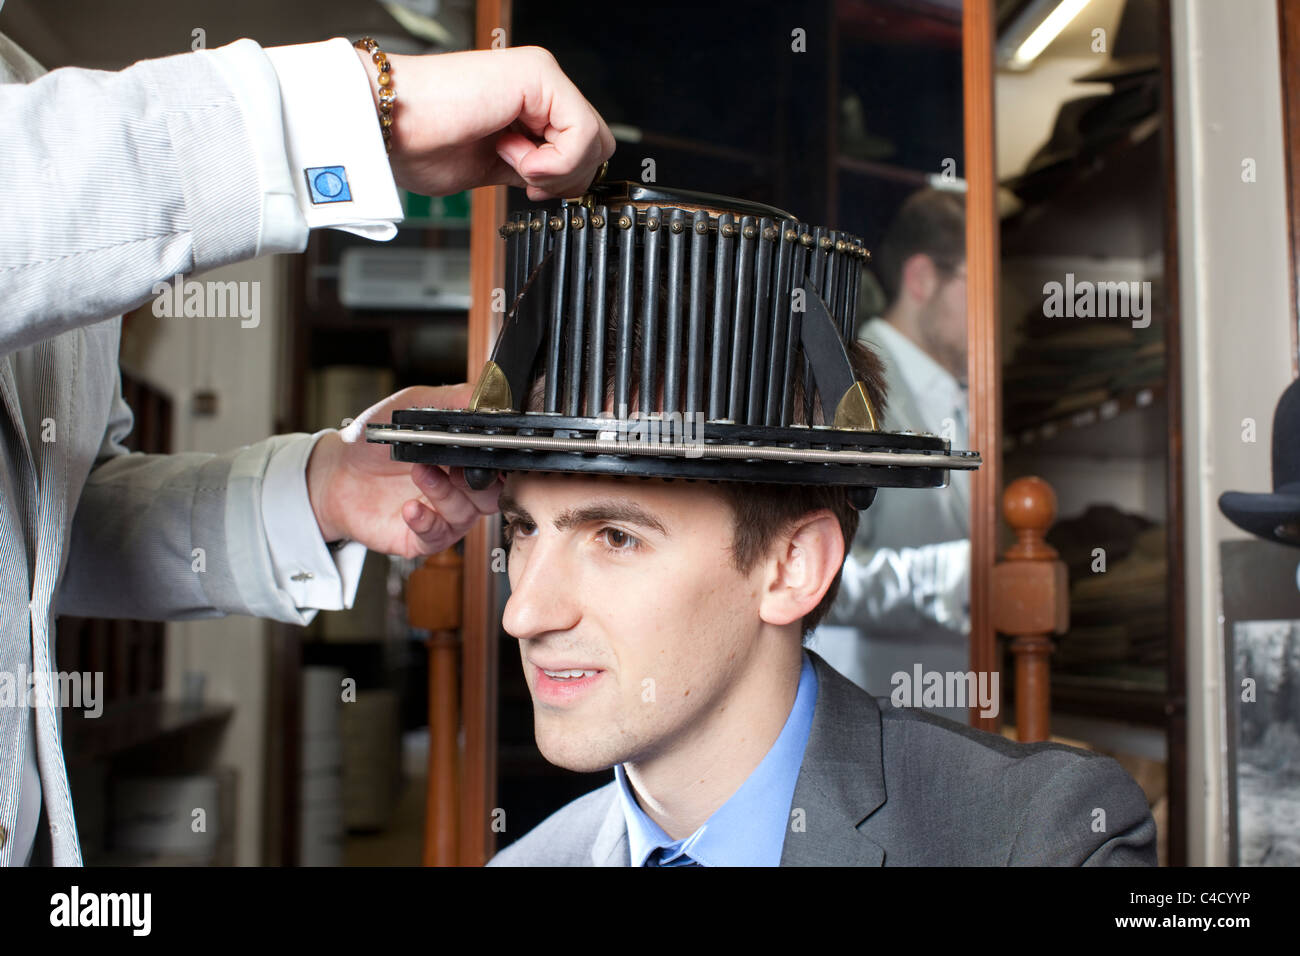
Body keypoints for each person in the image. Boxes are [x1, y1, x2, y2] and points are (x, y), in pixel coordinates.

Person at [0, 16, 613, 867]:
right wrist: (360, 111)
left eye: (617, 536)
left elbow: (55, 524)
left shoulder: (20, 74)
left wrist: (325, 487)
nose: (522, 613)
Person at [476, 204, 1155, 866]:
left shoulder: (1043, 840)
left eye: (616, 537)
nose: (523, 613)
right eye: (523, 528)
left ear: (793, 565)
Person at [811, 188, 973, 723]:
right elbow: (814, 574)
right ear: (922, 278)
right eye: (979, 286)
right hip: (869, 723)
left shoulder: (977, 397)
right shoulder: (842, 390)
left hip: (958, 724)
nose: (994, 311)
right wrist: (947, 577)